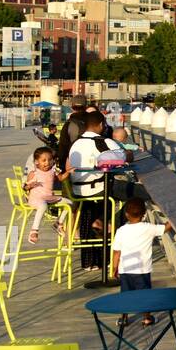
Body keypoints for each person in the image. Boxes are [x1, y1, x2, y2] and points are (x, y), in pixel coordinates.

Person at [67, 110, 117, 269]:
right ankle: (106, 225)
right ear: (101, 125)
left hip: (77, 192)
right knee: (132, 196)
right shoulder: (101, 142)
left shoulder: (76, 143)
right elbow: (122, 157)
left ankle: (89, 263)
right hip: (98, 190)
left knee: (87, 218)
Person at [111, 198, 171, 326]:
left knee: (125, 295)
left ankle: (124, 319)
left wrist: (114, 268)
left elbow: (117, 252)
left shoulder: (121, 230)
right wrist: (173, 217)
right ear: (144, 214)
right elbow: (165, 228)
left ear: (126, 214)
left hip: (125, 270)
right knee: (145, 295)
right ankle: (147, 318)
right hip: (142, 270)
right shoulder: (148, 228)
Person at [23, 146, 70, 244]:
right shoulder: (34, 173)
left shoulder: (53, 171)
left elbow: (61, 178)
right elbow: (25, 187)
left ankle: (58, 223)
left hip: (49, 197)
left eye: (50, 160)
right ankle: (34, 231)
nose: (47, 163)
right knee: (43, 205)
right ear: (36, 162)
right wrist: (30, 185)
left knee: (69, 203)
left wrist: (69, 171)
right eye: (43, 160)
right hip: (36, 199)